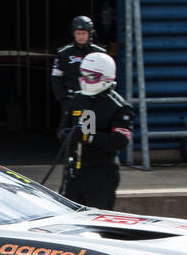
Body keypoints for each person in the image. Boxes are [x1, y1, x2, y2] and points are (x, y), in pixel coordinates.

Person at [57, 52, 132, 209]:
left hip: (101, 172)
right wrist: (68, 135)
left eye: (91, 77)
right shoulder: (77, 99)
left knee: (100, 221)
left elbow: (120, 141)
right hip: (74, 171)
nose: (85, 81)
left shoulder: (118, 107)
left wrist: (90, 137)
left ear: (106, 78)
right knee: (69, 218)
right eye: (83, 75)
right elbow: (62, 129)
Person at [50, 15, 106, 113]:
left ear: (90, 34)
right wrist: (63, 98)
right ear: (73, 34)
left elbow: (107, 77)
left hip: (94, 100)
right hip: (71, 100)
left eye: (83, 33)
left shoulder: (100, 54)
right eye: (78, 33)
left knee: (90, 127)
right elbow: (56, 78)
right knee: (69, 127)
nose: (81, 36)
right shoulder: (64, 53)